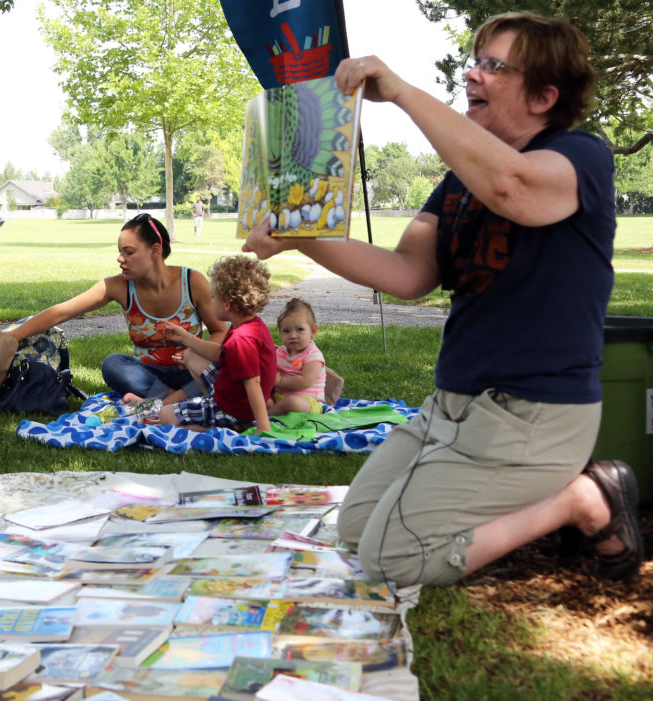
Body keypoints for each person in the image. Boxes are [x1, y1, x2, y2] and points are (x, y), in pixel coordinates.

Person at [243, 12, 643, 584]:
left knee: (393, 557)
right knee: (356, 528)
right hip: (449, 409)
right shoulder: (460, 178)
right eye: (474, 62)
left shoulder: (581, 155)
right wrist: (299, 236)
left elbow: (515, 187)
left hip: (532, 415)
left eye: (493, 66)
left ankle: (580, 498)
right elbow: (408, 274)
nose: (473, 75)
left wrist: (403, 92)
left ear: (544, 95)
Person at [7, 213, 228, 400]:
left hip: (192, 370)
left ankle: (167, 402)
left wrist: (195, 353)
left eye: (128, 252)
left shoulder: (192, 282)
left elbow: (220, 332)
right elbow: (62, 312)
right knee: (113, 364)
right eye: (120, 251)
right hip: (146, 375)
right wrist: (12, 336)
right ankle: (180, 400)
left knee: (228, 367)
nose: (120, 259)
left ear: (155, 250)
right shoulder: (118, 286)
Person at [141, 255, 274, 433]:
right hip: (231, 395)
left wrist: (263, 426)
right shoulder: (250, 326)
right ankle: (212, 412)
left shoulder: (242, 339)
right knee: (191, 354)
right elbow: (221, 354)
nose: (210, 302)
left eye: (212, 298)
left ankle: (222, 425)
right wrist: (185, 337)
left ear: (227, 305)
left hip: (232, 409)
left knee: (164, 416)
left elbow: (253, 383)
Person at [270, 297, 326, 416]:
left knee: (292, 402)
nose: (293, 335)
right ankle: (272, 409)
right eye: (286, 331)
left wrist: (279, 381)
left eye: (300, 329)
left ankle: (267, 414)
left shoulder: (313, 355)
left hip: (307, 403)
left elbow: (306, 381)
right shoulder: (280, 352)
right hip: (279, 397)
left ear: (313, 331)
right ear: (279, 332)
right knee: (261, 397)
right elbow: (270, 371)